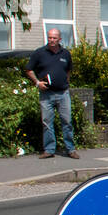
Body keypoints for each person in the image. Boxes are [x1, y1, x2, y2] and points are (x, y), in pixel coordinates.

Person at [25, 29, 79, 158]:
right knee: (47, 122)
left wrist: (66, 83)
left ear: (59, 39)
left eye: (54, 38)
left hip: (63, 93)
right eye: (49, 38)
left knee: (66, 121)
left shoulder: (65, 54)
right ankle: (49, 150)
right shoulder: (39, 53)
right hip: (46, 94)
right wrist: (38, 83)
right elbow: (28, 69)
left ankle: (70, 149)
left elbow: (68, 71)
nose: (52, 40)